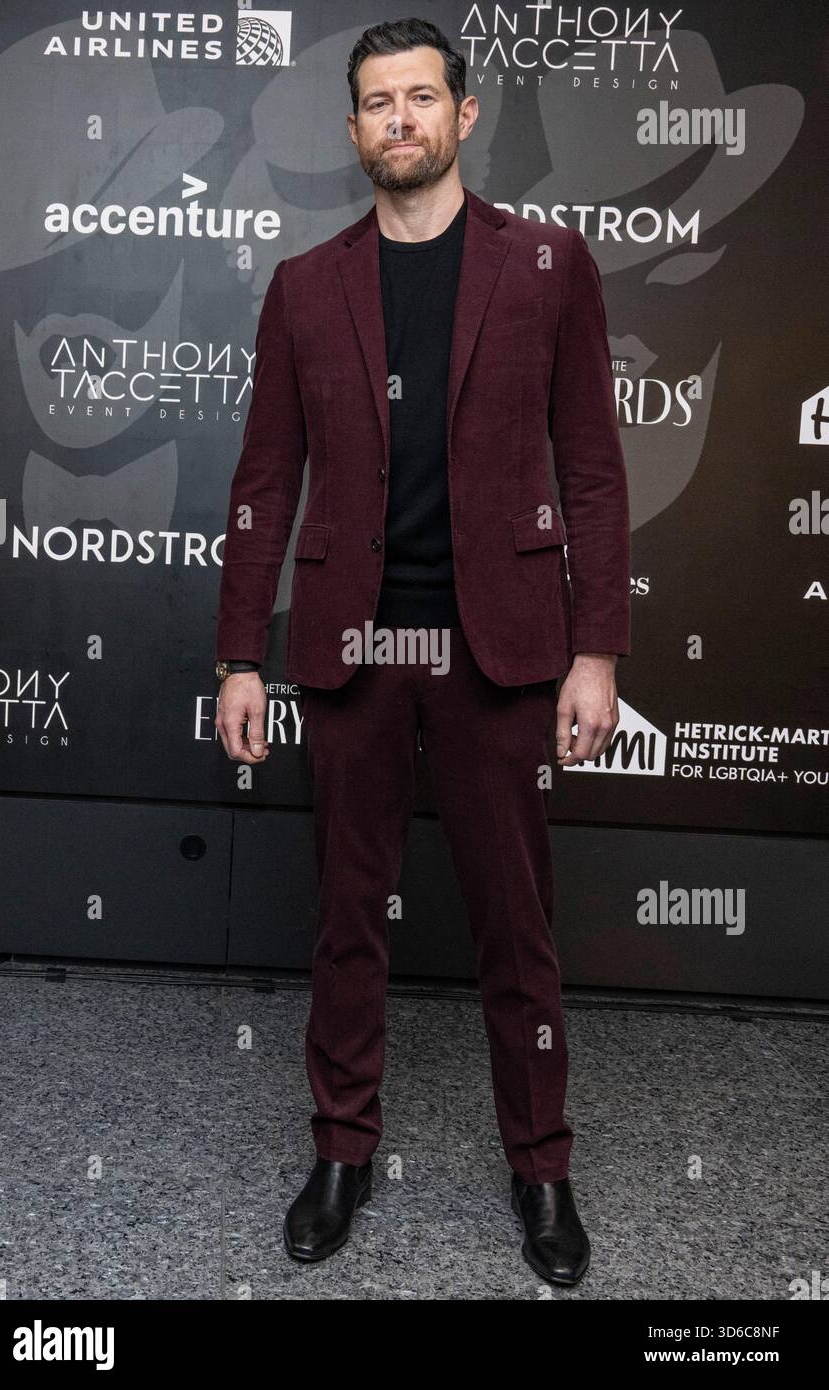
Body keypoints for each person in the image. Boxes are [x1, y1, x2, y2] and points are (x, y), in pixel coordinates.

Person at [214, 17, 630, 1288]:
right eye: (376, 103)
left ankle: (540, 1166)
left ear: (462, 115)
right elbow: (265, 480)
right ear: (351, 132)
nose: (399, 119)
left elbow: (596, 475)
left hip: (498, 647)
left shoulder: (548, 266)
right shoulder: (303, 286)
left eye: (420, 98)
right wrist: (241, 656)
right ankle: (341, 1150)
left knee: (518, 927)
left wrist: (596, 651)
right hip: (348, 647)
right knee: (347, 918)